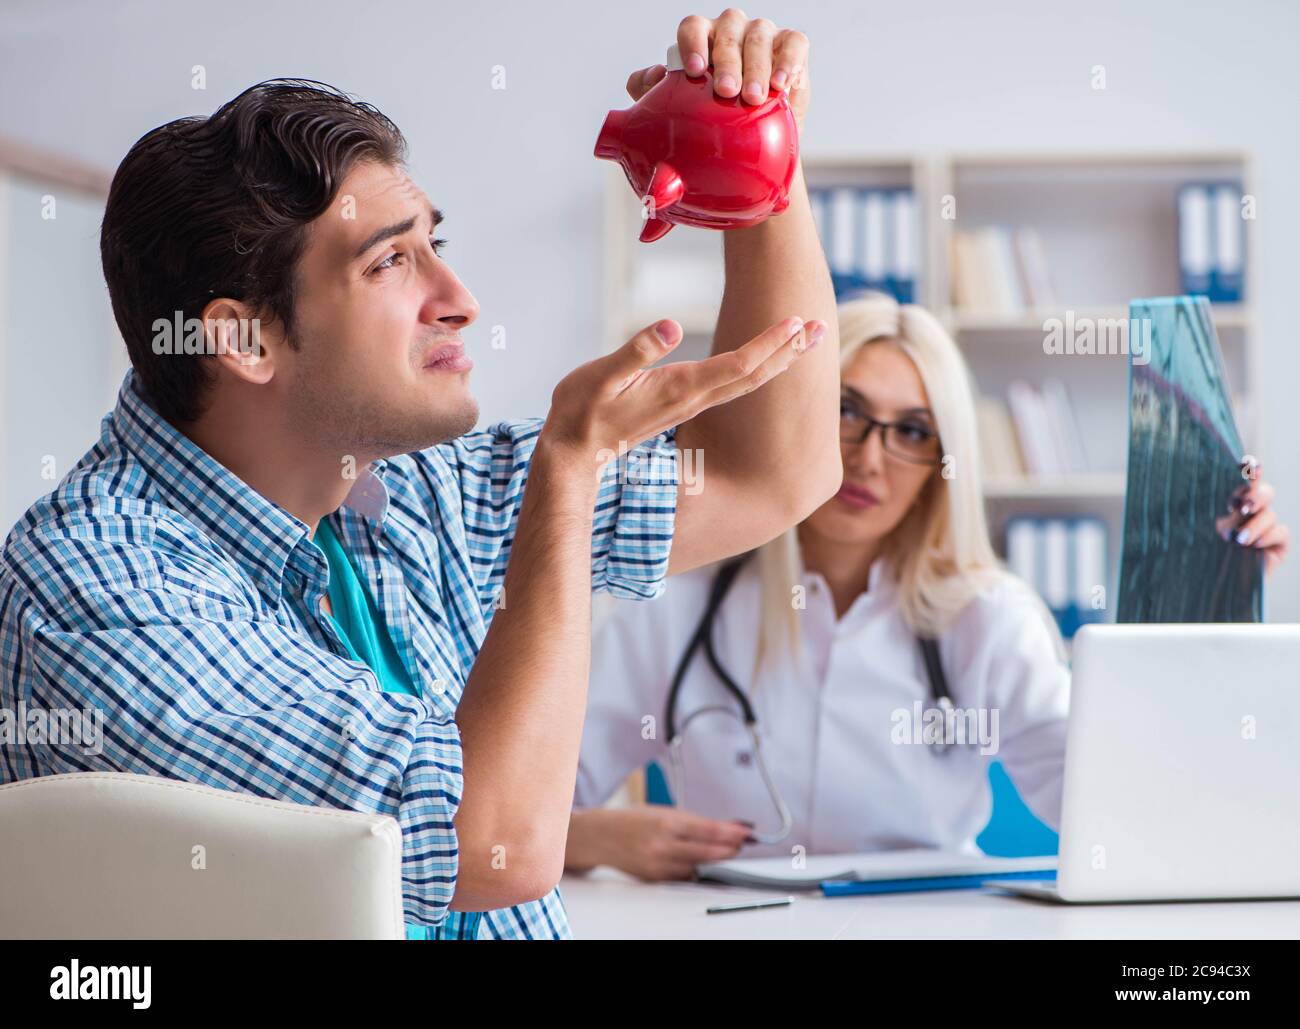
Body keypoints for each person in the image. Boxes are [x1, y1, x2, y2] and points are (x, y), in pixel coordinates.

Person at [0, 12, 841, 938]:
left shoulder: (416, 489)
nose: (460, 301)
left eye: (437, 244)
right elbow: (493, 850)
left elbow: (777, 470)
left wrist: (762, 161)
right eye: (392, 260)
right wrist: (565, 478)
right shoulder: (101, 587)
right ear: (242, 337)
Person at [566, 292, 1289, 881]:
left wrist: (1212, 616)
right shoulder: (672, 602)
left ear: (946, 463)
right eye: (845, 409)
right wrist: (593, 837)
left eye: (913, 431)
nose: (869, 457)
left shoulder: (989, 617)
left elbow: (1129, 813)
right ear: (794, 413)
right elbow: (508, 818)